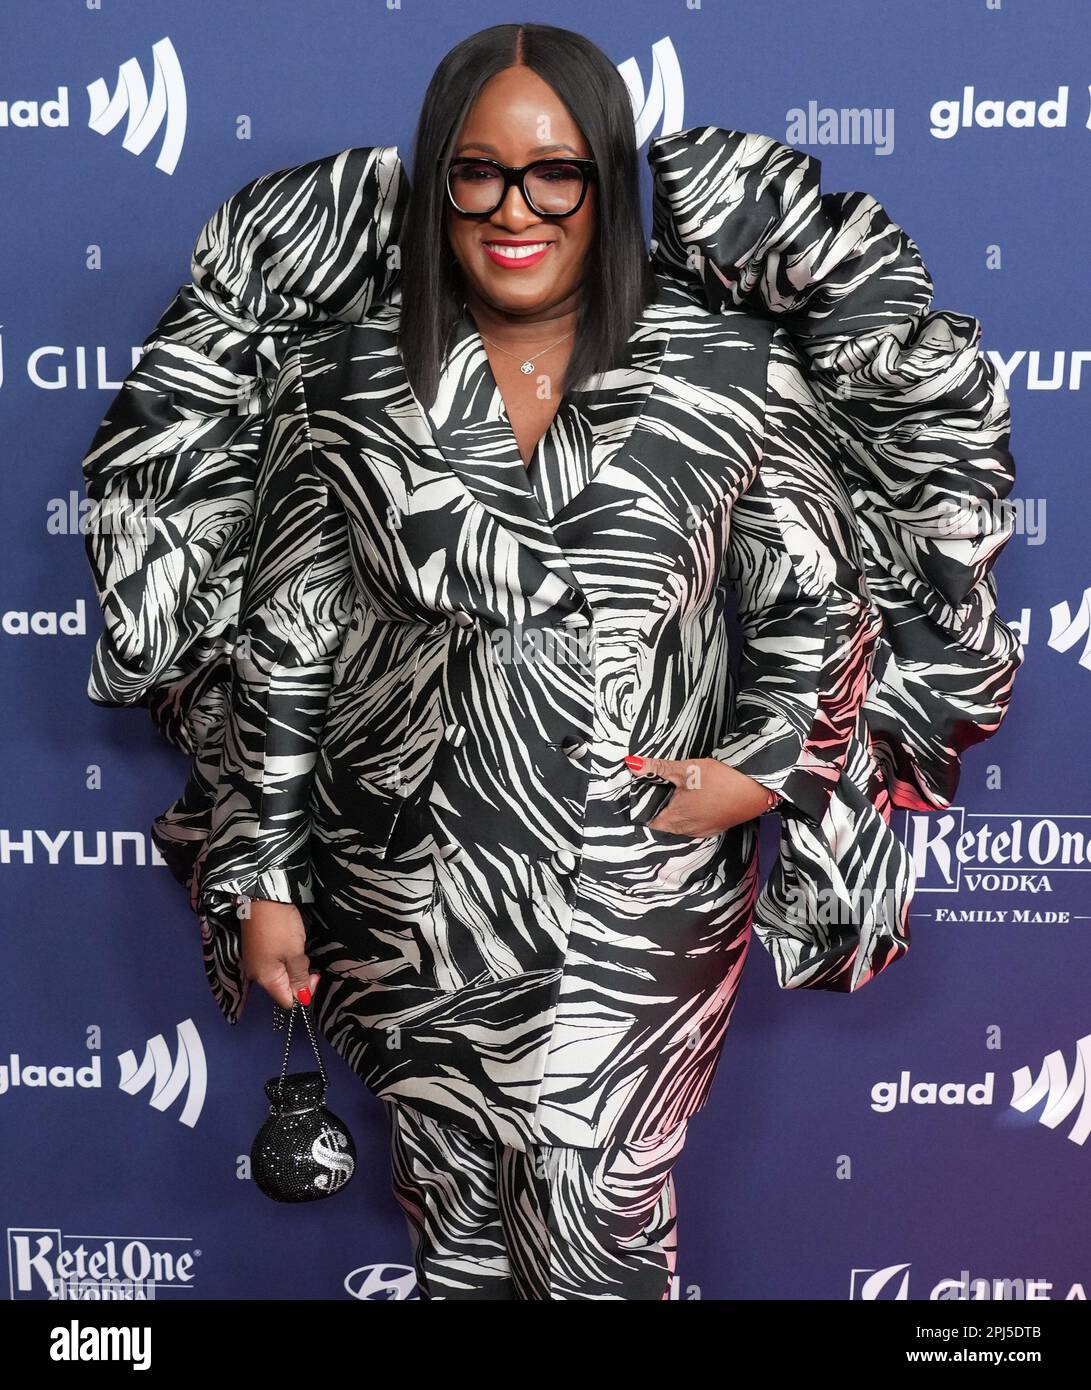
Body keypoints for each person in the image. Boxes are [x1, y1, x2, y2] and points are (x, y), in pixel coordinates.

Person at [81, 23, 1021, 1300]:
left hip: (636, 897)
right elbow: (286, 643)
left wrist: (756, 772)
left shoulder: (721, 371)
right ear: (437, 184)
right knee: (454, 1231)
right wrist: (262, 873)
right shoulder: (347, 384)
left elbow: (812, 599)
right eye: (477, 173)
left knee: (604, 1230)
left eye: (553, 173)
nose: (513, 210)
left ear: (605, 183)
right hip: (404, 896)